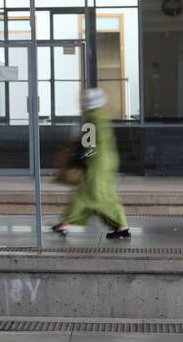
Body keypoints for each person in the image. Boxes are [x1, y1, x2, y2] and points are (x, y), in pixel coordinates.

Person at [52, 87, 130, 239]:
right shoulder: (101, 116)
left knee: (88, 194)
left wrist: (76, 158)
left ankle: (66, 223)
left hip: (97, 163)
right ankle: (121, 227)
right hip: (107, 161)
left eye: (83, 102)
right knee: (104, 193)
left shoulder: (92, 119)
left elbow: (88, 144)